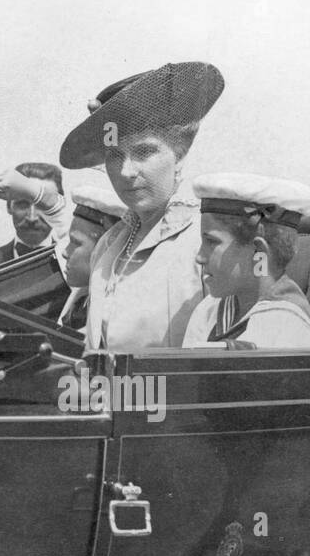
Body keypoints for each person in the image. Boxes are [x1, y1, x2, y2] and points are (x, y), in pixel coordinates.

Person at [59, 61, 225, 351]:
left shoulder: (204, 241)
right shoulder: (109, 243)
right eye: (114, 156)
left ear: (180, 154)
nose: (125, 172)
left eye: (144, 152)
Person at [183, 173, 310, 349]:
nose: (199, 257)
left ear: (259, 253)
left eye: (212, 242)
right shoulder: (209, 310)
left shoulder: (288, 330)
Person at [0, 162, 65, 274]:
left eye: (42, 205)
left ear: (57, 208)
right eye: (22, 204)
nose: (32, 218)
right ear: (8, 206)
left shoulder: (74, 264)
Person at [58, 184, 126, 329]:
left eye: (76, 243)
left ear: (106, 250)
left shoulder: (117, 317)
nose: (65, 252)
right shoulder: (82, 296)